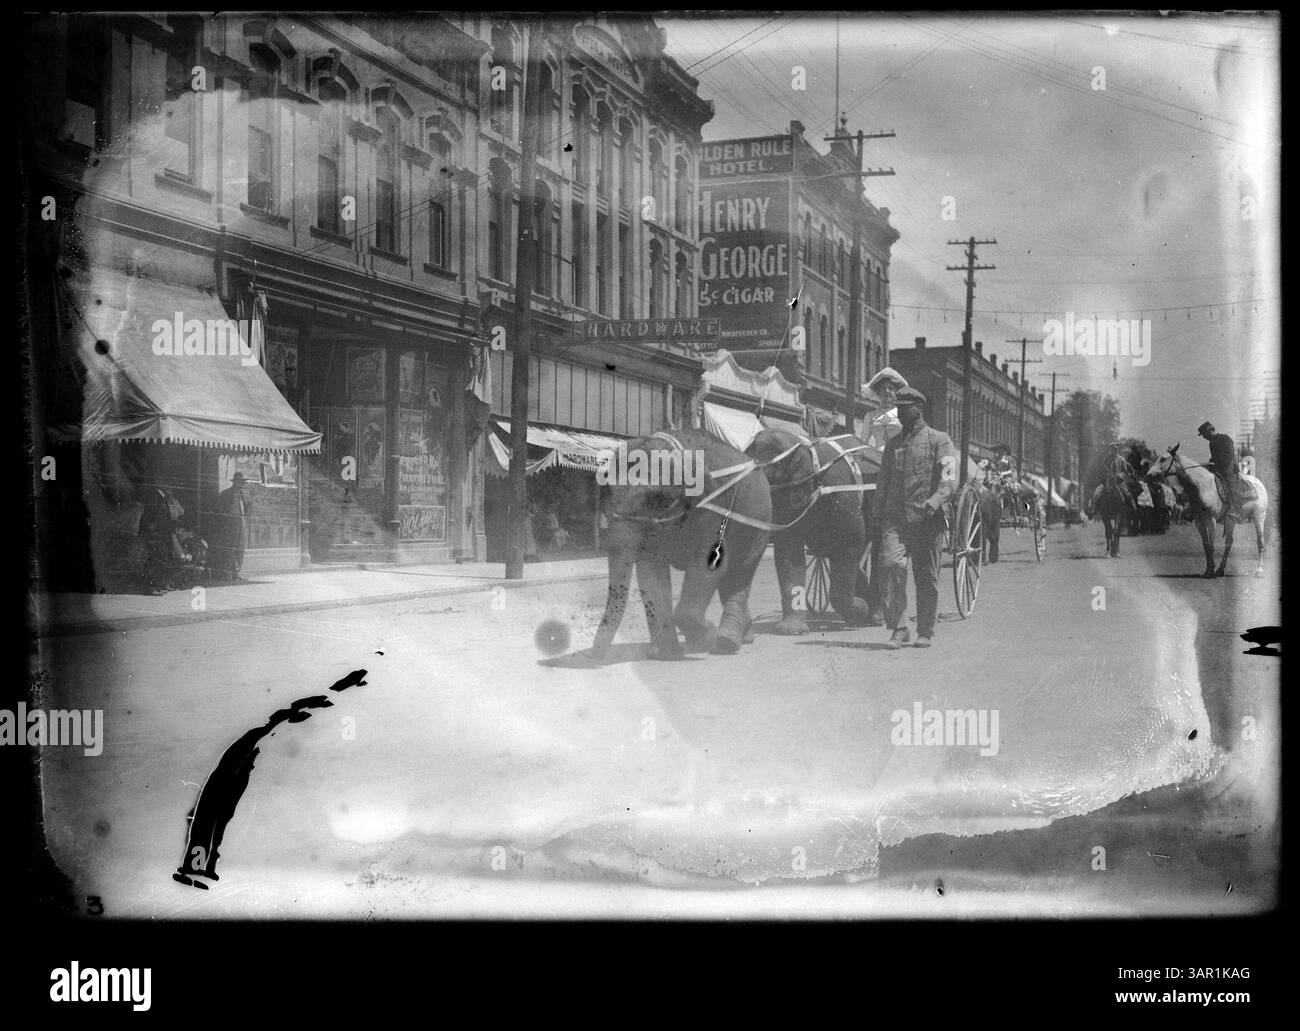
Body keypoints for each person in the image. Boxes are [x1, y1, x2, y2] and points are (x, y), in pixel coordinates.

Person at [873, 387, 958, 649]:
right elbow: (883, 482)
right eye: (896, 407)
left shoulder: (939, 440)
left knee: (926, 575)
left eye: (903, 407)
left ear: (918, 408)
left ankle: (925, 630)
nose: (898, 412)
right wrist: (876, 514)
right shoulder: (894, 444)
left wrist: (934, 502)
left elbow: (949, 479)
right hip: (896, 518)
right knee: (889, 564)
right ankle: (899, 628)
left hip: (927, 519)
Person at [861, 367, 908, 626]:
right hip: (872, 469)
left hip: (895, 473)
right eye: (883, 389)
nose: (887, 393)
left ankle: (881, 602)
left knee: (882, 543)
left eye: (891, 389)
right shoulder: (870, 416)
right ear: (877, 393)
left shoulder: (902, 415)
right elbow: (862, 442)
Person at [1198, 420, 1252, 519]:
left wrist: (1215, 463)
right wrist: (1208, 463)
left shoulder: (1225, 439)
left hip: (1228, 468)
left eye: (1204, 435)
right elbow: (1213, 457)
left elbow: (1228, 457)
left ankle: (1238, 513)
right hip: (1217, 469)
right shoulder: (1211, 443)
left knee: (1231, 487)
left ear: (1209, 431)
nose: (1204, 437)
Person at [208, 472, 252, 582]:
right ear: (234, 482)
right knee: (230, 547)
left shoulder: (243, 494)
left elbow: (246, 508)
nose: (240, 484)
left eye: (241, 482)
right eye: (239, 481)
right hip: (231, 520)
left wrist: (249, 507)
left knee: (240, 548)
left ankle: (236, 572)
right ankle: (226, 573)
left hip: (241, 520)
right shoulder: (226, 494)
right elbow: (220, 509)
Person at [1088, 442, 1137, 521]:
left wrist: (1120, 475)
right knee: (1096, 493)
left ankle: (1134, 509)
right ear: (1110, 449)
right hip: (1107, 481)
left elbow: (1125, 471)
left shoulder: (1121, 459)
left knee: (1127, 494)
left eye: (1115, 449)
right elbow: (1101, 470)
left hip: (1119, 481)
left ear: (1117, 450)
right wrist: (1105, 475)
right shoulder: (1106, 459)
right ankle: (1092, 510)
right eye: (1112, 449)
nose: (1114, 451)